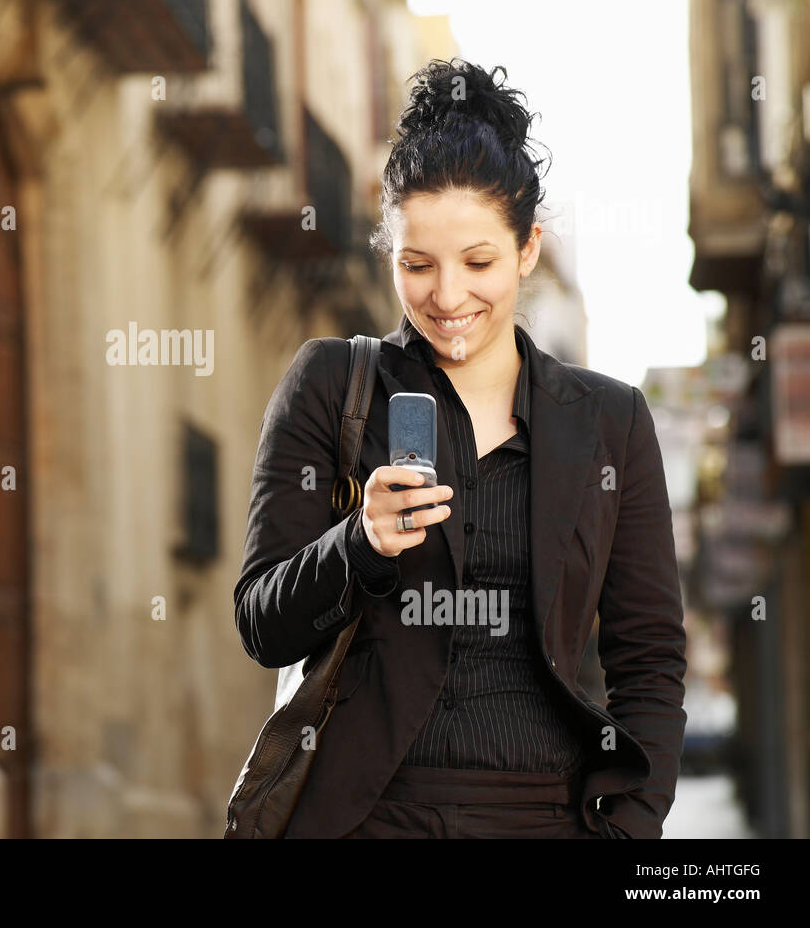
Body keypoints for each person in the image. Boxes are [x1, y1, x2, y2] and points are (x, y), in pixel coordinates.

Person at [233, 58, 686, 839]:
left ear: (528, 248)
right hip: (365, 816)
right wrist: (360, 542)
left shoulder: (611, 421)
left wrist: (628, 829)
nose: (447, 296)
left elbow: (648, 655)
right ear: (390, 252)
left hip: (547, 816)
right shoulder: (330, 383)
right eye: (417, 264)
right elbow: (261, 620)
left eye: (477, 262)